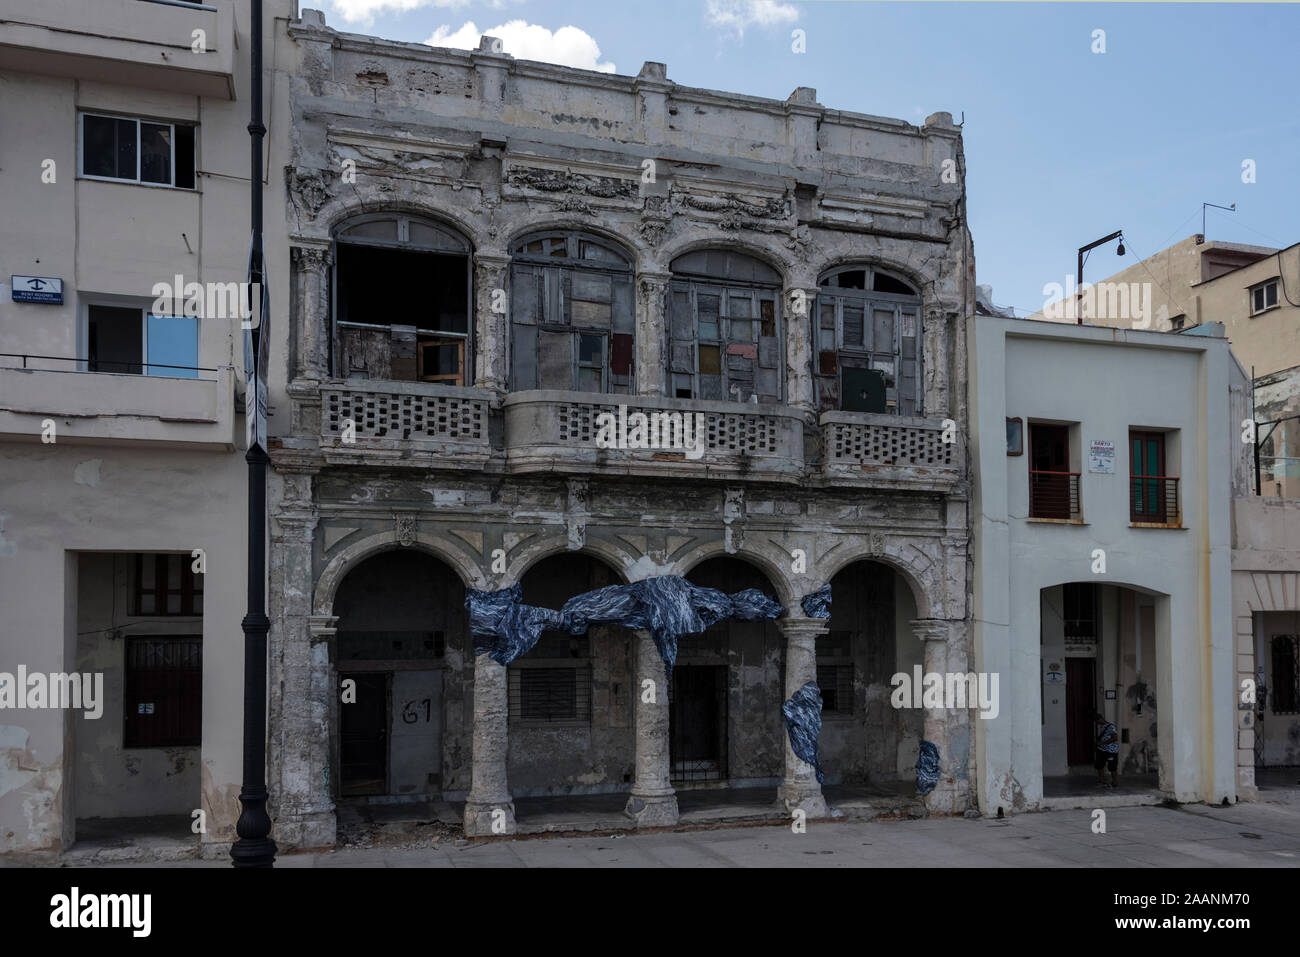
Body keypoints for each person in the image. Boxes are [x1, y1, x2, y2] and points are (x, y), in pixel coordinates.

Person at [1094, 712, 1119, 787]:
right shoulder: (1102, 727)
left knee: (1112, 767)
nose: (1097, 723)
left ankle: (1114, 782)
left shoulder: (1111, 727)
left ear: (1100, 719)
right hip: (1101, 750)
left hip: (1111, 751)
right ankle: (1102, 781)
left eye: (1097, 721)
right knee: (1099, 765)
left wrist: (1102, 743)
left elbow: (1115, 738)